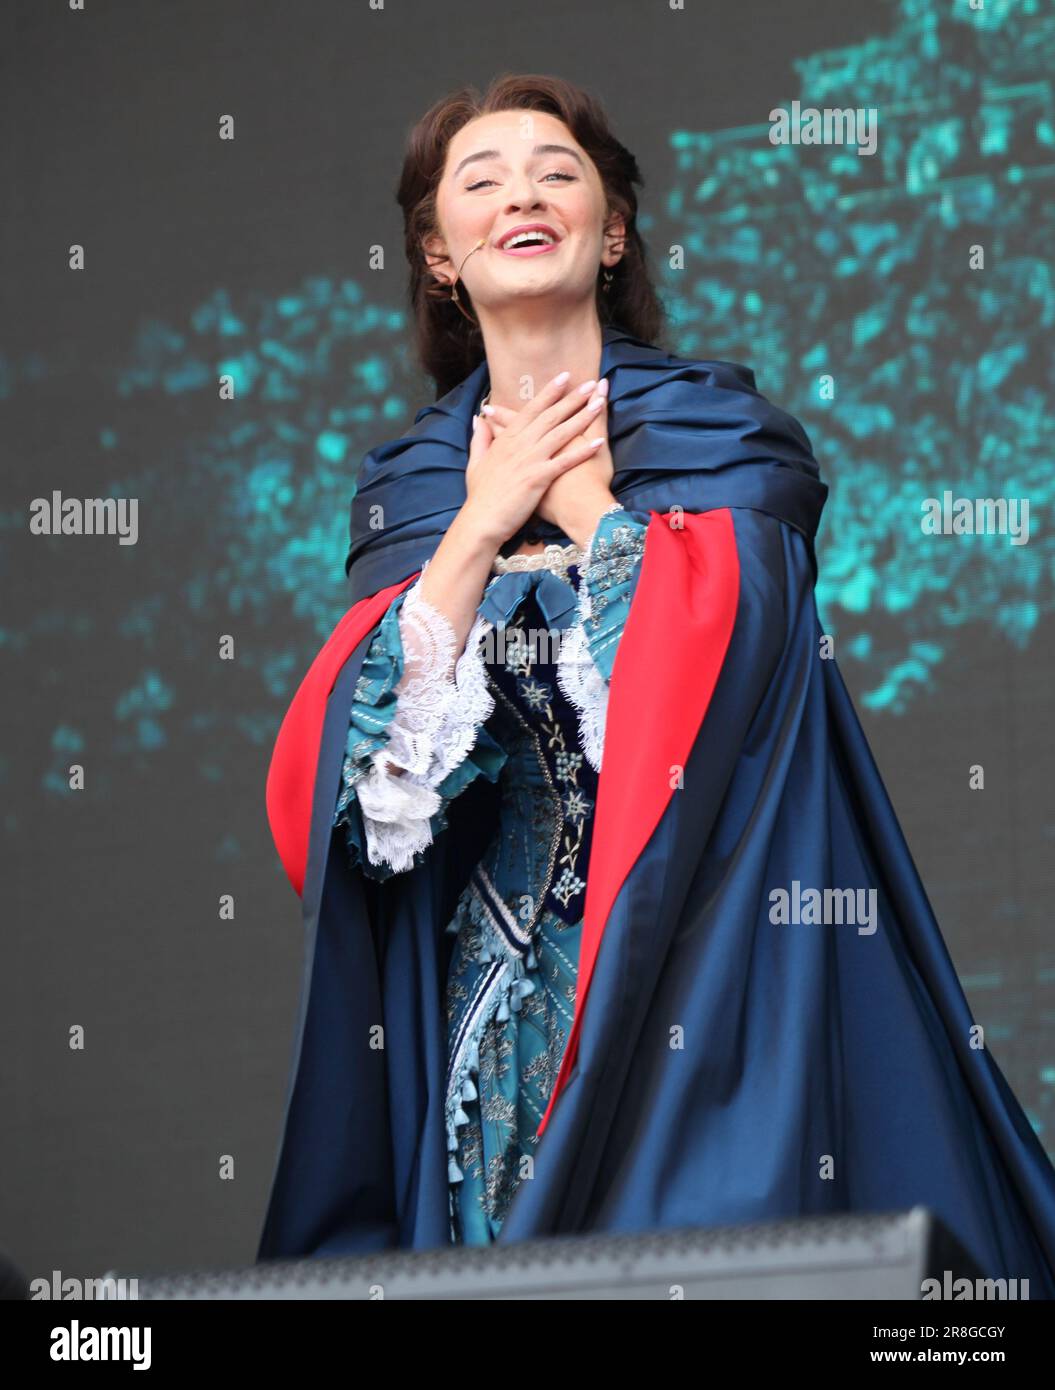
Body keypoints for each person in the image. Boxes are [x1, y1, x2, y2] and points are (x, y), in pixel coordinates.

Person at [256, 73, 1055, 1291]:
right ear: (437, 255)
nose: (520, 191)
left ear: (611, 228)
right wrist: (478, 527)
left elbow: (734, 683)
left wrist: (579, 498)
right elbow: (355, 801)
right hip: (494, 1007)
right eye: (480, 180)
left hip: (708, 967)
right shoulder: (411, 489)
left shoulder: (722, 433)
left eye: (556, 171)